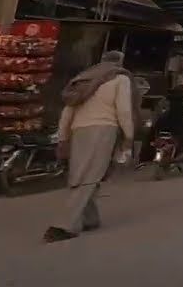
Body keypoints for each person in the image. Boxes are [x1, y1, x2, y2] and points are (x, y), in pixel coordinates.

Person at [44, 51, 137, 242]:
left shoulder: (83, 79)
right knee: (88, 176)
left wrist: (63, 137)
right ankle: (64, 225)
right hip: (103, 129)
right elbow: (124, 110)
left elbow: (67, 110)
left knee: (80, 173)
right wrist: (129, 135)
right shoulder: (120, 78)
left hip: (78, 129)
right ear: (119, 62)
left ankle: (91, 218)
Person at [150, 84, 183, 177]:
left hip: (160, 129)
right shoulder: (182, 105)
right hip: (178, 131)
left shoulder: (164, 102)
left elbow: (157, 116)